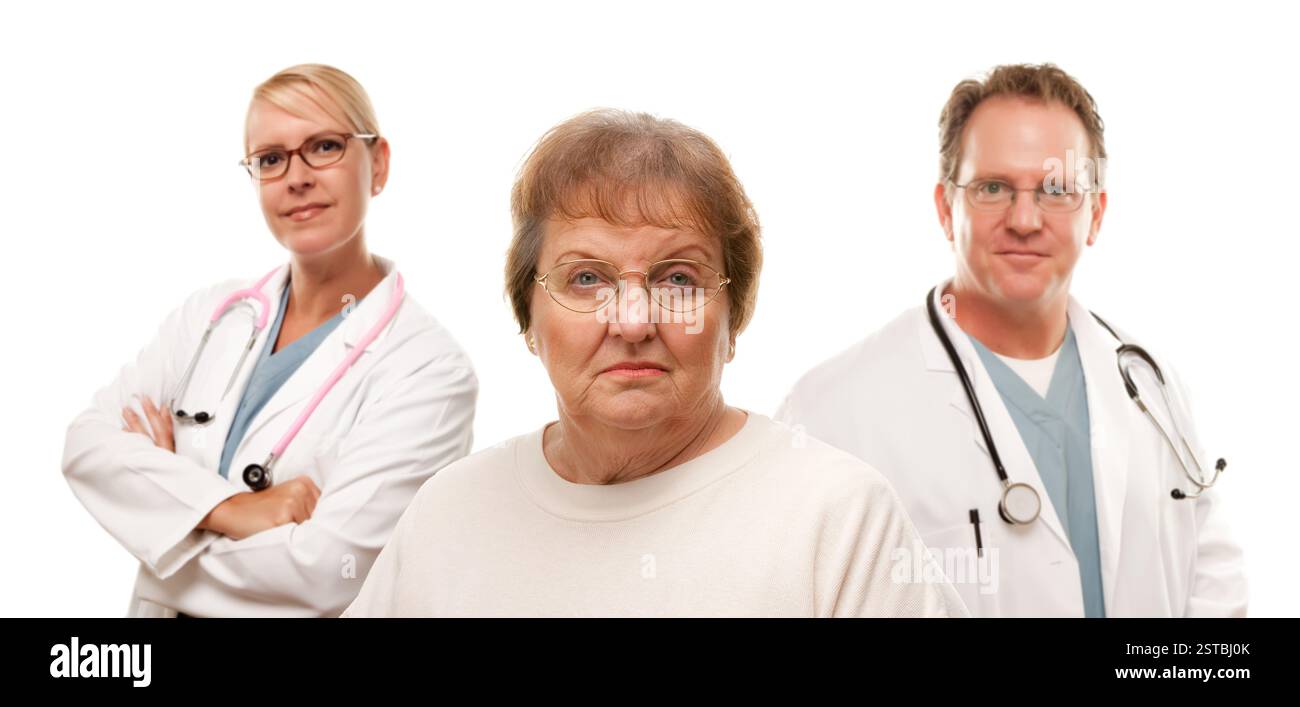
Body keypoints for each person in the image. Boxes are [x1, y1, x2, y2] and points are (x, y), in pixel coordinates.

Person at [342, 109, 966, 617]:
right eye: (587, 278)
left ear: (735, 316)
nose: (635, 322)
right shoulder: (448, 513)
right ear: (529, 316)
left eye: (678, 279)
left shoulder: (836, 515)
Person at [778, 63, 1246, 617]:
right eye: (993, 187)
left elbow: (1215, 584)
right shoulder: (833, 411)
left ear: (1094, 215)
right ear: (945, 209)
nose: (1024, 219)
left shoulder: (1152, 386)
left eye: (1056, 190)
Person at [62, 64, 478, 617]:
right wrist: (231, 508)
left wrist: (159, 532)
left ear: (377, 164)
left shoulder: (430, 371)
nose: (296, 177)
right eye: (271, 159)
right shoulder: (212, 316)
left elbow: (325, 574)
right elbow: (86, 446)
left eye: (324, 146)